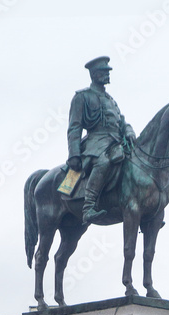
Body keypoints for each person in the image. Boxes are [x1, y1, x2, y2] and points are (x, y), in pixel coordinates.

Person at [67, 56, 136, 225]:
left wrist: (129, 131)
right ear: (94, 74)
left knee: (137, 162)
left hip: (116, 140)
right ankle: (88, 207)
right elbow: (75, 126)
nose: (107, 75)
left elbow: (121, 121)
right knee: (104, 161)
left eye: (108, 72)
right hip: (95, 142)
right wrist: (74, 154)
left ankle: (142, 206)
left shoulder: (111, 100)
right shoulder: (82, 96)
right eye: (104, 72)